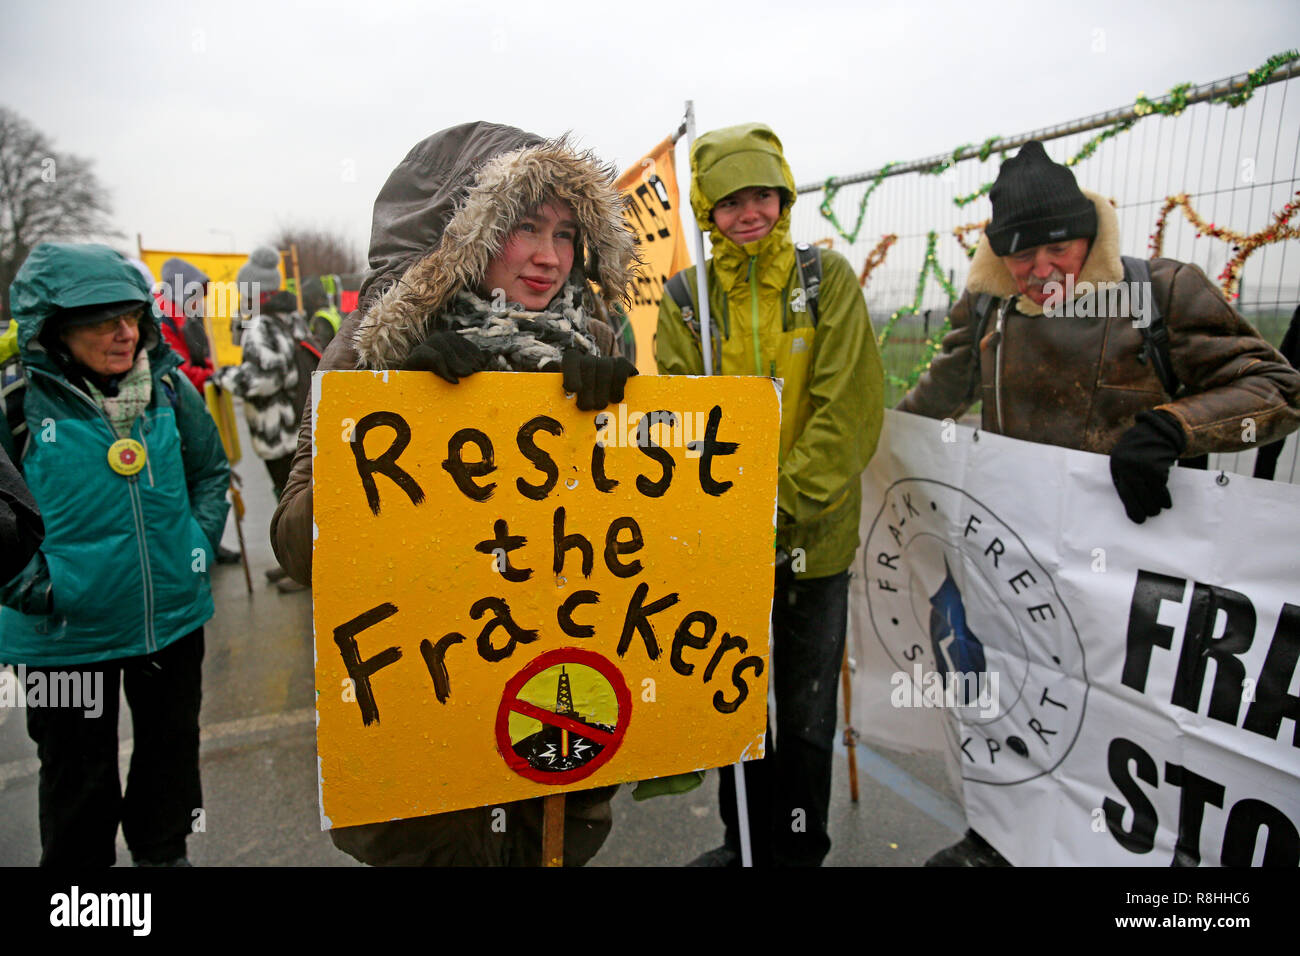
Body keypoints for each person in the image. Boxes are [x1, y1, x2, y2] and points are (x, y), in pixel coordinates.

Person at [897, 140, 1300, 865]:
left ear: (1090, 232)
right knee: (1017, 708)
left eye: (1058, 247)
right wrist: (879, 453)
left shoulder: (1163, 292)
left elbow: (1277, 390)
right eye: (1021, 256)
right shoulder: (988, 310)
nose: (1041, 270)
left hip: (1137, 580)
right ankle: (999, 837)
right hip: (1023, 570)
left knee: (1133, 726)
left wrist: (1175, 427)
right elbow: (931, 404)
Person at [271, 121, 639, 866]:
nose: (548, 258)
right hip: (426, 744)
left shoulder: (599, 344)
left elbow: (648, 546)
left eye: (567, 235)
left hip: (555, 732)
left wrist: (631, 434)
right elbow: (299, 546)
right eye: (523, 227)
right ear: (464, 235)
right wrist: (398, 419)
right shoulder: (372, 348)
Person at [656, 123, 885, 867]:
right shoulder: (686, 299)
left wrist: (777, 508)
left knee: (810, 714)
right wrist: (728, 520)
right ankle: (746, 844)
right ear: (706, 211)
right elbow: (681, 416)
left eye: (762, 194)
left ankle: (800, 849)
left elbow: (847, 412)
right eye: (729, 201)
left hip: (813, 544)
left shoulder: (828, 281)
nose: (748, 212)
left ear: (784, 196)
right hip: (727, 551)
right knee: (735, 705)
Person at [0, 243, 230, 867]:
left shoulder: (169, 388)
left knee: (170, 753)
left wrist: (196, 548)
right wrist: (33, 586)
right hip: (61, 636)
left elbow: (210, 474)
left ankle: (164, 855)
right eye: (102, 319)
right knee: (76, 780)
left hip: (170, 622)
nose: (125, 332)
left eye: (131, 315)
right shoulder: (14, 404)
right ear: (55, 329)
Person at [215, 249, 312, 591]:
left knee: (289, 499)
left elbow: (265, 378)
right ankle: (295, 561)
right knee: (300, 496)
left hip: (277, 428)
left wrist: (225, 378)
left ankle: (303, 567)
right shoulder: (292, 317)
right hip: (298, 422)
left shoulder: (260, 325)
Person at [154, 256, 216, 392]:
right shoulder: (161, 321)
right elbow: (177, 370)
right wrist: (211, 378)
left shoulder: (185, 317)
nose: (199, 302)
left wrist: (214, 371)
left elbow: (200, 357)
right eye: (196, 296)